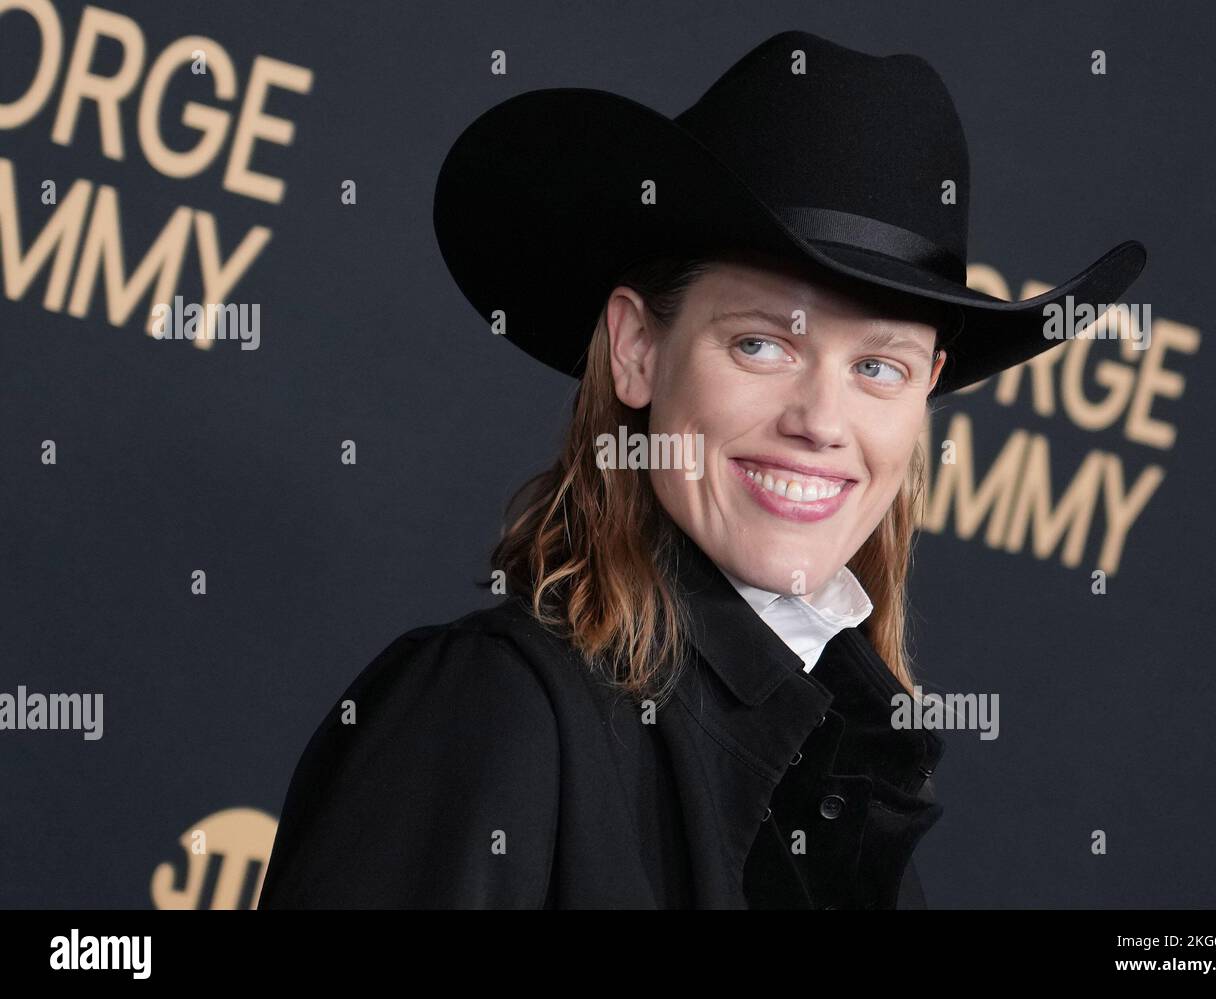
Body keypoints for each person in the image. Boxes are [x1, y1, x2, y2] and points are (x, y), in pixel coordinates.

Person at [258, 29, 1145, 909]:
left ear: (925, 395)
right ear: (639, 348)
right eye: (761, 343)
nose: (822, 422)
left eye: (880, 368)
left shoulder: (853, 770)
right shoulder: (493, 712)